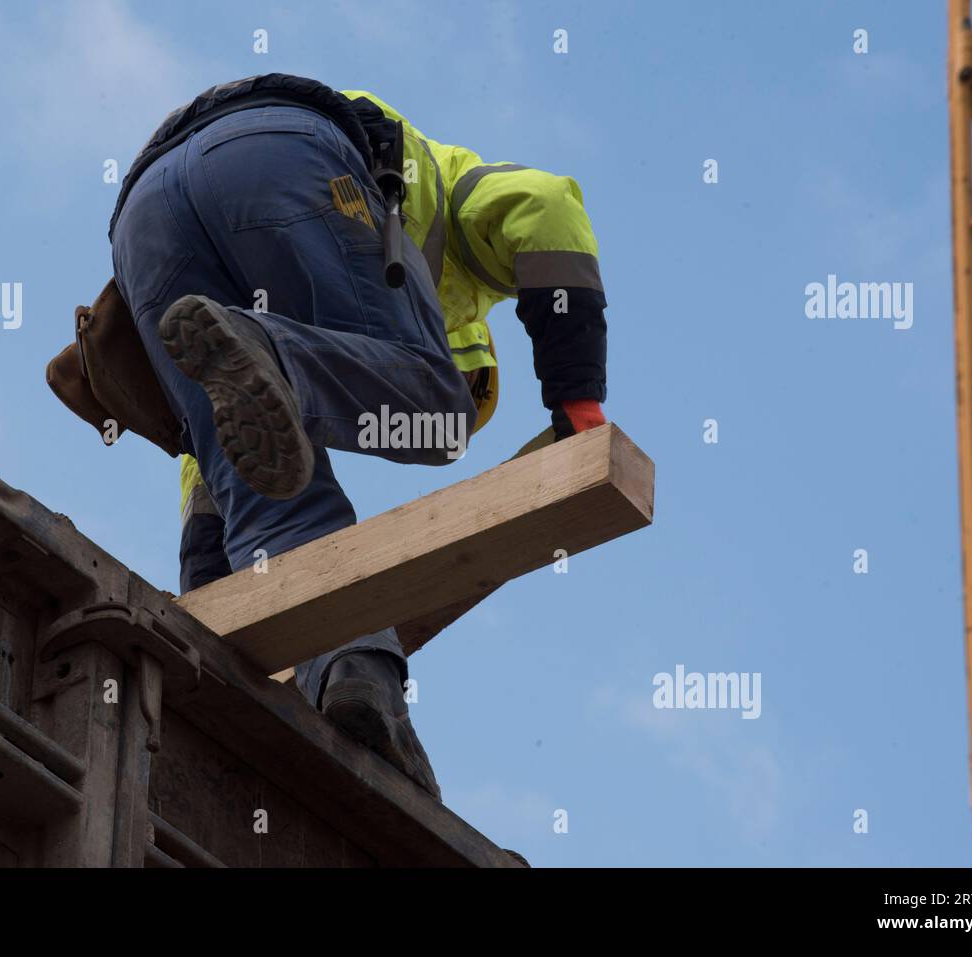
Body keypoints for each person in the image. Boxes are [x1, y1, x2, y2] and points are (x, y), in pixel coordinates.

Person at [110, 75, 608, 800]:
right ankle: (282, 355)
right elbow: (550, 205)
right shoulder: (454, 196)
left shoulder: (240, 367)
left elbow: (219, 442)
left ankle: (360, 680)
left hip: (144, 219)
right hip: (278, 152)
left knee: (281, 505)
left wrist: (212, 590)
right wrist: (577, 402)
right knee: (436, 414)